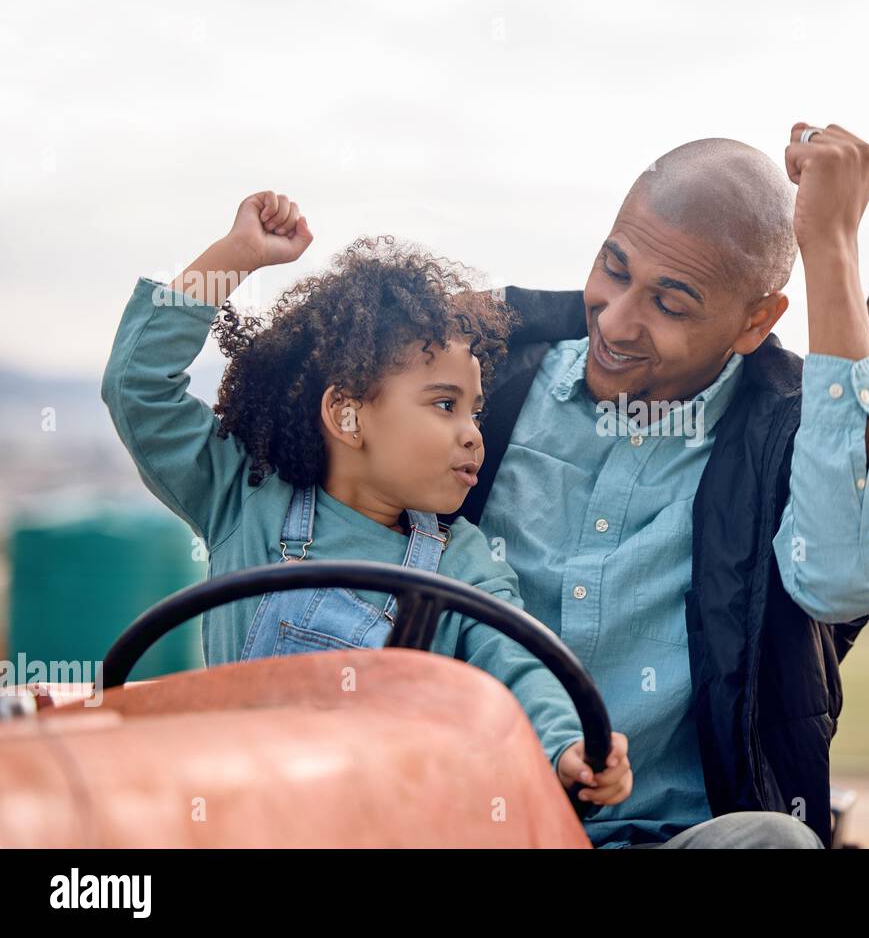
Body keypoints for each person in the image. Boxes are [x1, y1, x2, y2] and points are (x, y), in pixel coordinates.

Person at [451, 123, 869, 848]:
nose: (615, 320)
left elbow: (845, 578)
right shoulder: (476, 376)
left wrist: (831, 248)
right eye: (613, 267)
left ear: (755, 321)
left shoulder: (796, 436)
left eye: (670, 304)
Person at [100, 191, 632, 809]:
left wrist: (566, 745)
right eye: (444, 404)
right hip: (231, 814)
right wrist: (233, 258)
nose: (472, 432)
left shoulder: (461, 563)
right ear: (346, 414)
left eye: (475, 411)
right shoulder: (243, 496)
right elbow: (136, 386)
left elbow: (514, 663)